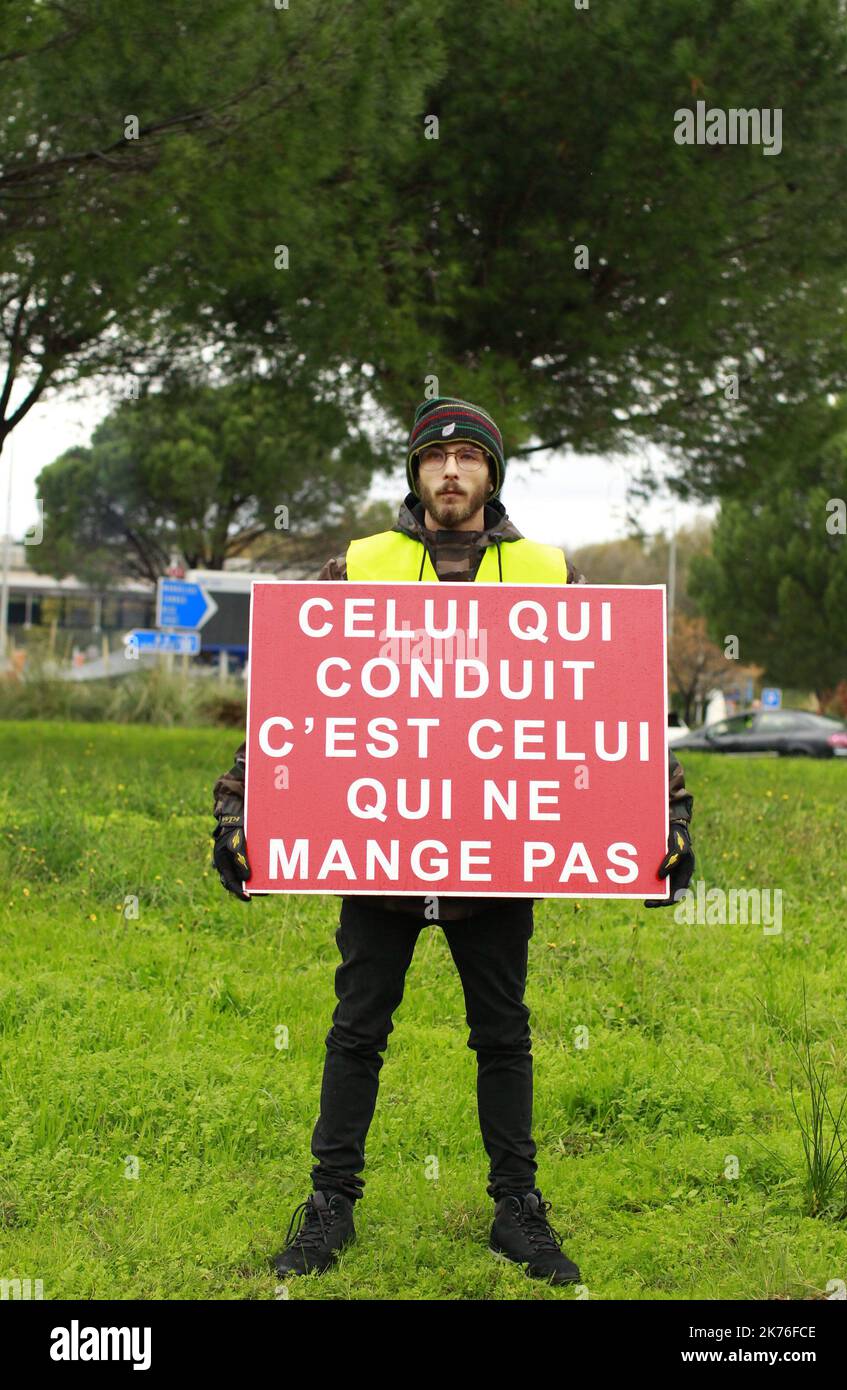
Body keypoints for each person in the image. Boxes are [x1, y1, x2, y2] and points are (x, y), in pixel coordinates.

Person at [211, 395, 695, 1286]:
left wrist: (666, 817)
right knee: (356, 1031)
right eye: (435, 460)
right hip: (378, 855)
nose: (451, 472)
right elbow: (292, 699)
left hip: (497, 860)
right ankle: (329, 1210)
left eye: (469, 457)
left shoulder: (548, 572)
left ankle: (519, 1211)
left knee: (503, 1035)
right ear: (416, 476)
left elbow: (617, 707)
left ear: (490, 474)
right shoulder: (357, 567)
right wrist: (240, 808)